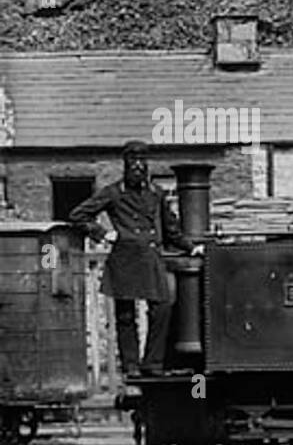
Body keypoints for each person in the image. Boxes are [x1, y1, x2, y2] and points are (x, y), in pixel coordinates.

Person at [69, 142, 204, 377]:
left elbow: (172, 231)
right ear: (126, 164)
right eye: (133, 161)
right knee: (125, 316)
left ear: (147, 164)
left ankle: (153, 363)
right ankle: (131, 365)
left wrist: (192, 247)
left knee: (162, 308)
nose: (138, 166)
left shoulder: (157, 193)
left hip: (151, 258)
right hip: (125, 259)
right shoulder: (113, 192)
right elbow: (78, 215)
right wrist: (103, 233)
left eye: (142, 161)